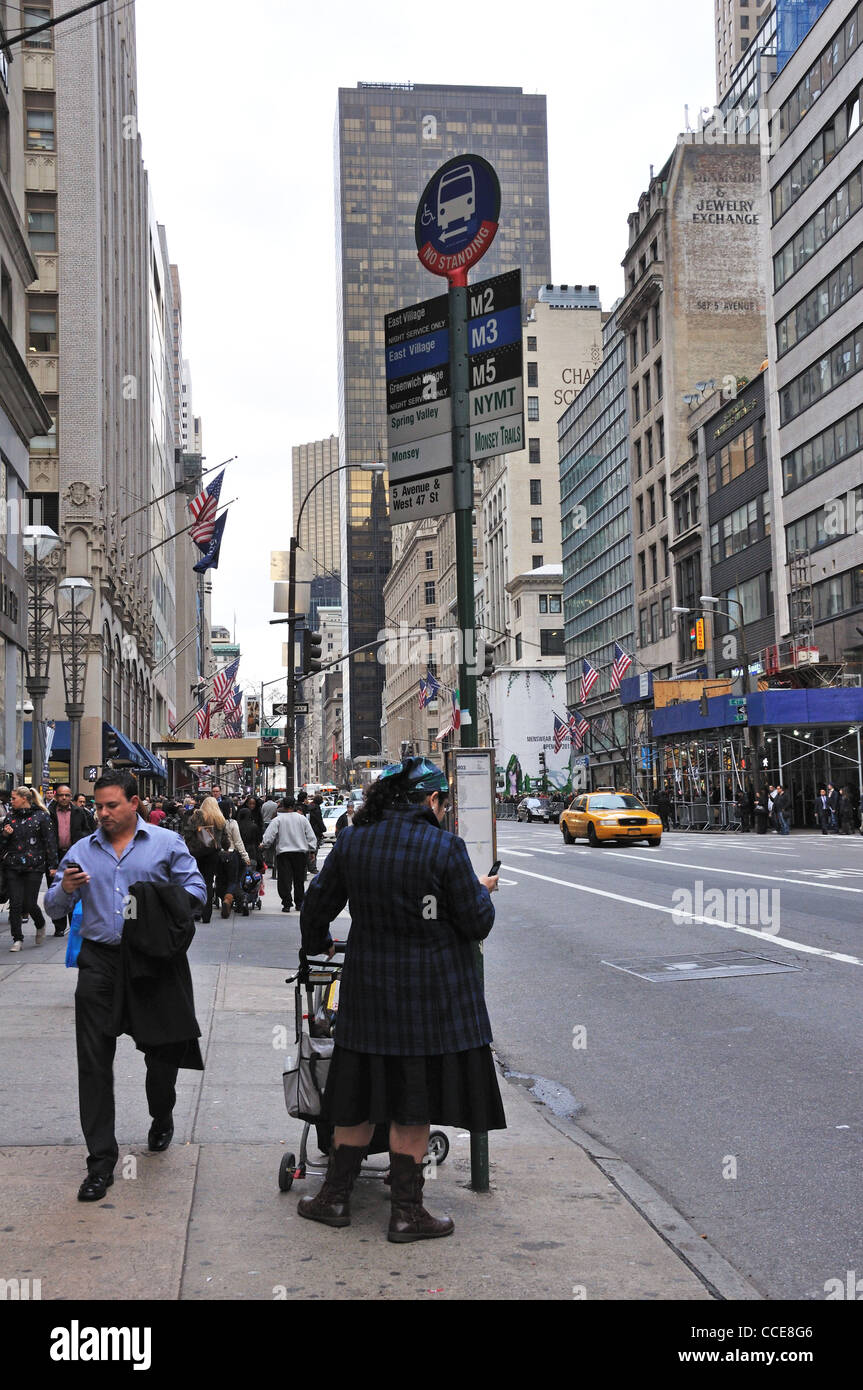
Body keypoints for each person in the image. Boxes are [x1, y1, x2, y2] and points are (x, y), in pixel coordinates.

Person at [298, 756, 504, 1242]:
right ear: (431, 800)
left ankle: (333, 1198)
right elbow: (477, 924)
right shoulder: (445, 848)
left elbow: (316, 905)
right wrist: (481, 891)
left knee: (356, 1099)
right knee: (413, 1105)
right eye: (442, 801)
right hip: (428, 1003)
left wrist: (319, 943)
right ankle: (407, 1213)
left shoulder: (352, 841)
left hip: (367, 996)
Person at [45, 770, 206, 1202]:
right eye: (98, 806)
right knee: (94, 1061)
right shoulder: (82, 850)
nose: (102, 814)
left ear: (135, 803)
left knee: (161, 1053)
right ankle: (100, 1162)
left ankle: (162, 1114)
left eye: (111, 805)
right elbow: (52, 904)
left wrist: (159, 904)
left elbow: (197, 889)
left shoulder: (166, 844)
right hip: (99, 962)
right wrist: (65, 888)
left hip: (150, 961)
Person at [3, 786, 58, 951]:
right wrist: (5, 835)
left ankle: (40, 923)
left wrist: (53, 865)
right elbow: (2, 843)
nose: (11, 801)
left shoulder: (41, 817)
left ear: (24, 799)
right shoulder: (10, 817)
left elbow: (50, 842)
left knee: (29, 903)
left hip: (34, 865)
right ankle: (17, 938)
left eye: (14, 798)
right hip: (13, 865)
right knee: (15, 903)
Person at [48, 786, 93, 936]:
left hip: (73, 855)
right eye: (61, 795)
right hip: (56, 854)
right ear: (56, 797)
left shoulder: (78, 812)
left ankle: (73, 921)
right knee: (55, 888)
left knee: (73, 886)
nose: (64, 798)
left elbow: (86, 831)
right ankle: (59, 926)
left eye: (67, 795)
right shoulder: (49, 813)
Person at [261, 797, 317, 912]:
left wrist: (264, 845)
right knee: (299, 880)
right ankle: (299, 903)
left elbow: (269, 836)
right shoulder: (302, 819)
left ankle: (286, 903)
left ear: (283, 805)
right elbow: (311, 836)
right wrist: (312, 850)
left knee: (284, 879)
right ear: (294, 806)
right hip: (300, 853)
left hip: (284, 853)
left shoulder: (278, 820)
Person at [183, 796, 229, 923]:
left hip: (198, 853)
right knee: (208, 882)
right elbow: (225, 839)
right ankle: (206, 914)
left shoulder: (198, 815)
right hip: (213, 853)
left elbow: (188, 833)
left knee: (197, 881)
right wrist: (225, 847)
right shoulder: (220, 819)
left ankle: (197, 911)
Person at [216, 802, 250, 917]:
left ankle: (222, 898)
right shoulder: (232, 823)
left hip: (218, 854)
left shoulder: (215, 822)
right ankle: (228, 899)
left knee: (220, 879)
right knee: (232, 880)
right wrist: (245, 856)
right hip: (231, 854)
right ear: (229, 810)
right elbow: (238, 841)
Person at [235, 795, 264, 868]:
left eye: (253, 804)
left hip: (252, 843)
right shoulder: (242, 812)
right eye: (250, 803)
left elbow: (260, 826)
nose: (252, 805)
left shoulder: (257, 813)